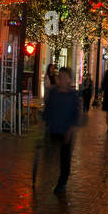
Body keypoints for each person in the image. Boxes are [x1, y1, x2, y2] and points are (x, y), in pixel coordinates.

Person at [40, 66, 80, 195]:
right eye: (60, 77)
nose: (61, 80)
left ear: (69, 80)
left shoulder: (73, 96)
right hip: (53, 128)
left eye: (64, 77)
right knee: (49, 155)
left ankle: (62, 182)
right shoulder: (53, 93)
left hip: (65, 132)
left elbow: (75, 115)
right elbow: (48, 109)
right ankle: (46, 178)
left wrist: (70, 130)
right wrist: (45, 124)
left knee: (64, 158)